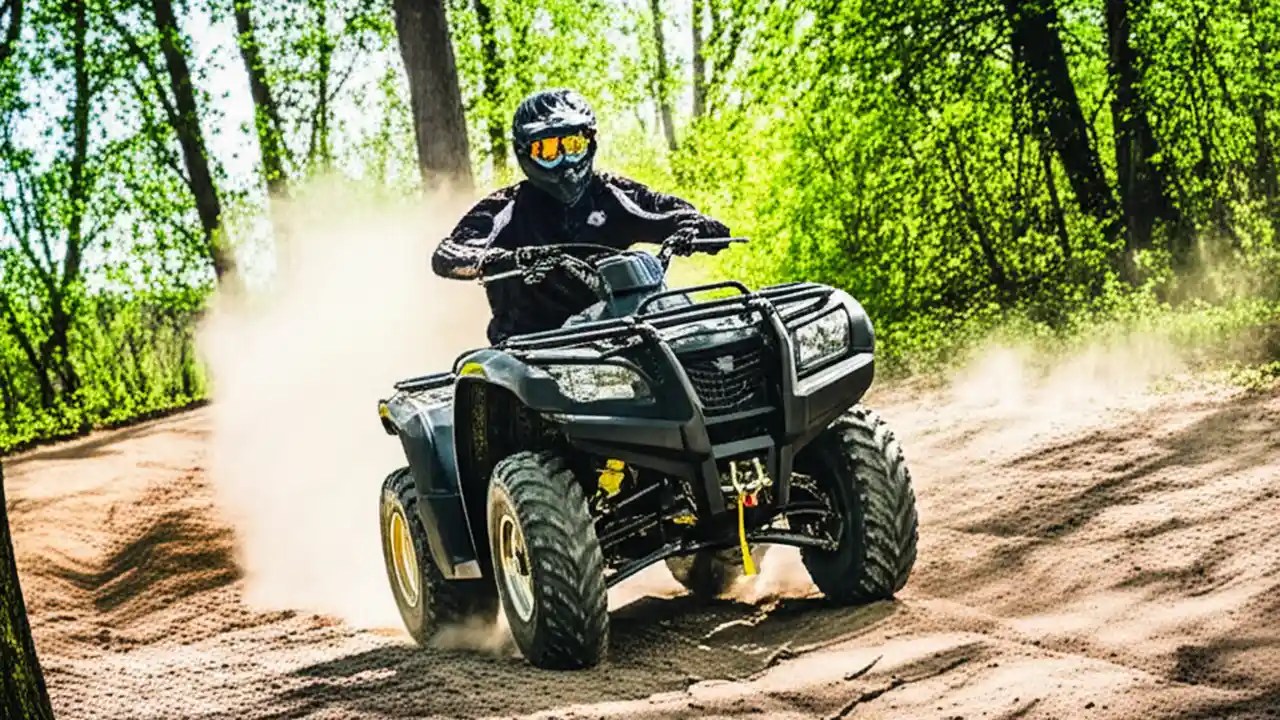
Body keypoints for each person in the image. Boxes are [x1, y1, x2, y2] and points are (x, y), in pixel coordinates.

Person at [432, 88, 730, 344]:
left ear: (590, 142)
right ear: (524, 152)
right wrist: (499, 260)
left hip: (617, 334)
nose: (565, 162)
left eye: (573, 145)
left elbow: (666, 209)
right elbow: (448, 254)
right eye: (548, 150)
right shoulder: (506, 208)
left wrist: (696, 227)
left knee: (692, 327)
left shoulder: (613, 194)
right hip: (531, 349)